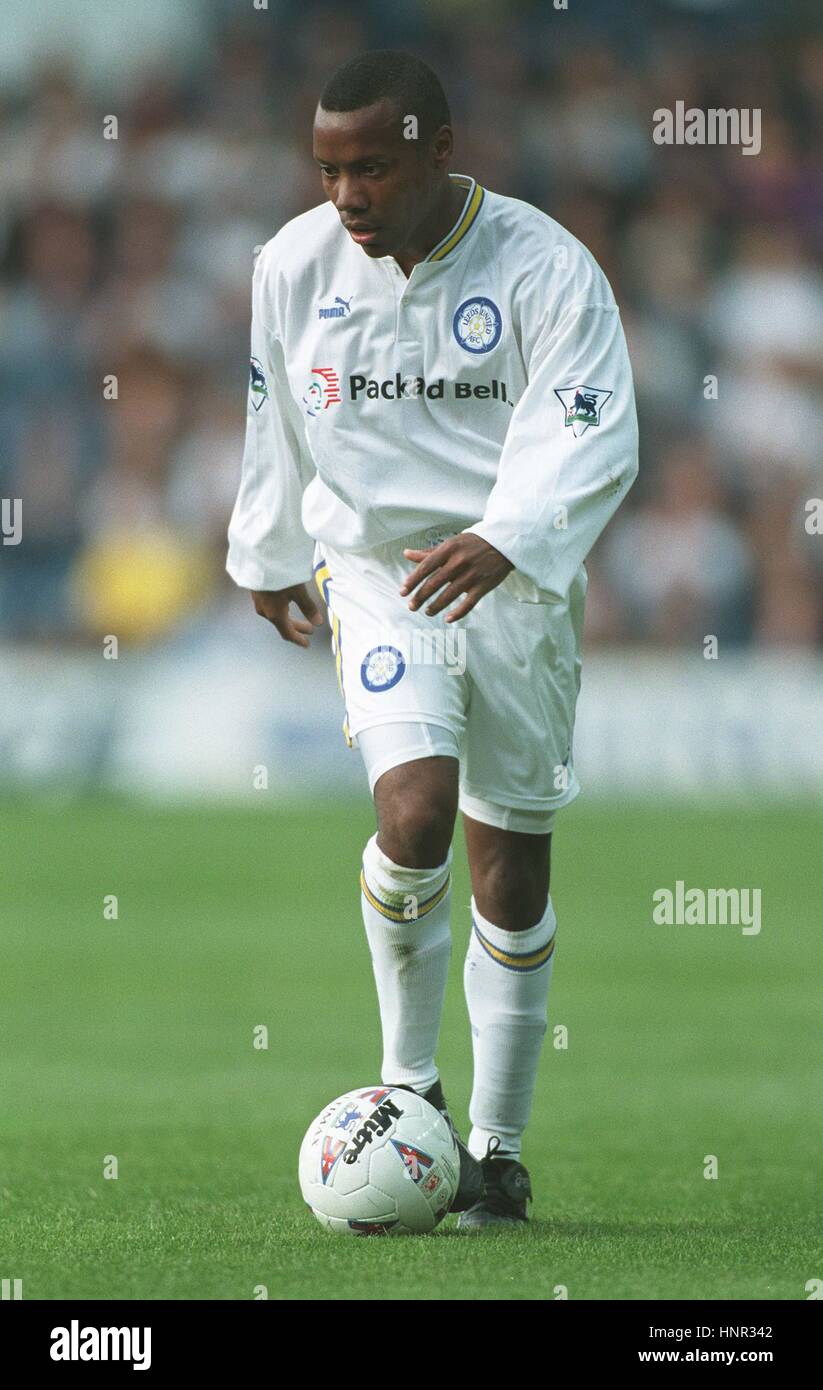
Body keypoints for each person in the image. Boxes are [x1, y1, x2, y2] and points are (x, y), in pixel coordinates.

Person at [227, 50, 639, 1229]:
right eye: (327, 168)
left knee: (510, 870)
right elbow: (273, 402)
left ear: (439, 152)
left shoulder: (545, 268)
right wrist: (264, 551)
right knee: (411, 816)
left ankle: (498, 1154)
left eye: (371, 167)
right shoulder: (292, 264)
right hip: (379, 574)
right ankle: (410, 1087)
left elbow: (594, 427)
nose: (345, 194)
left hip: (512, 584)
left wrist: (509, 537)